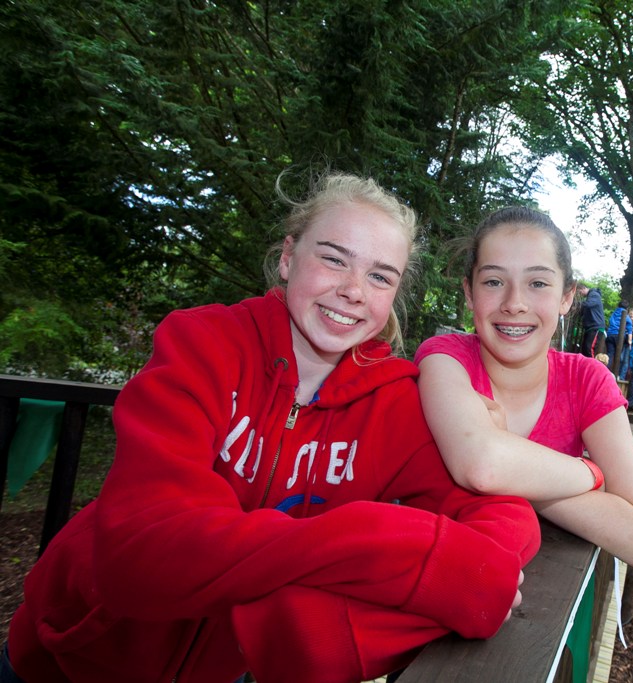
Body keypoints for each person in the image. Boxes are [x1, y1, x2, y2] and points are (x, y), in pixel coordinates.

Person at [3, 174, 540, 683]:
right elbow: (143, 550)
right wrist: (408, 555)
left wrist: (320, 630)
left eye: (380, 276)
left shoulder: (395, 402)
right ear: (287, 258)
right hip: (65, 659)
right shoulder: (202, 344)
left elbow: (506, 520)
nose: (354, 290)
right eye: (333, 259)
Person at [415, 206, 633, 570]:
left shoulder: (587, 381)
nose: (514, 303)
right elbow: (483, 467)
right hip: (436, 580)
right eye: (493, 282)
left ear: (566, 297)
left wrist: (510, 461)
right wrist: (589, 474)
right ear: (469, 292)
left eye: (538, 283)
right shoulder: (445, 360)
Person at [605, 301, 633, 376]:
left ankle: (605, 371)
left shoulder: (613, 314)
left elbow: (610, 322)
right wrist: (630, 341)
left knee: (610, 354)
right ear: (627, 308)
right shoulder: (626, 316)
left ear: (618, 306)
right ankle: (616, 374)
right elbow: (630, 330)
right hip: (619, 337)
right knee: (619, 356)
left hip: (610, 335)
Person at [577, 282, 605, 358]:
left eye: (580, 292)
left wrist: (576, 304)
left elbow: (588, 304)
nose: (580, 294)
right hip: (591, 327)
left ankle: (591, 365)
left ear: (583, 288)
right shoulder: (590, 296)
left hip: (596, 326)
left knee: (589, 349)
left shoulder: (594, 295)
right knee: (585, 349)